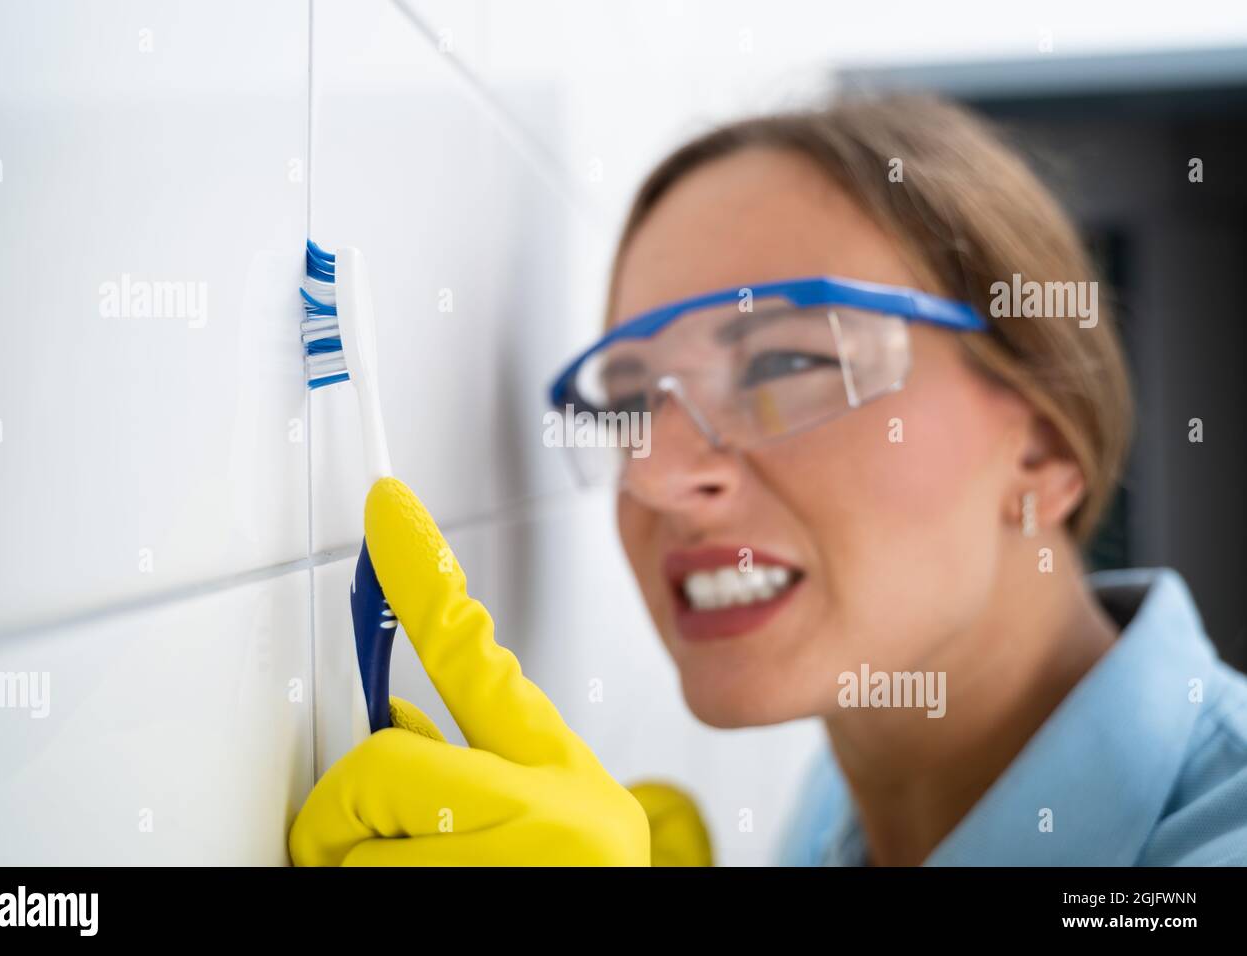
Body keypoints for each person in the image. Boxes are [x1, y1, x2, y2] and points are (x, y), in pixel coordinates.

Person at [289, 95, 1247, 866]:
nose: (659, 474)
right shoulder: (848, 793)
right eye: (631, 399)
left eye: (784, 365)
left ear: (1041, 449)